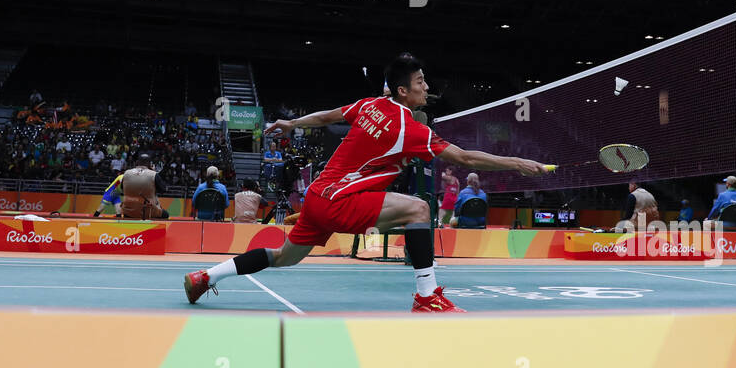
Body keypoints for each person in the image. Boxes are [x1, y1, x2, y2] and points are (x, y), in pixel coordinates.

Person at [183, 53, 550, 312]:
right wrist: (516, 162)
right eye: (421, 82)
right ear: (404, 91)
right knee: (420, 208)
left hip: (316, 197)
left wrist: (291, 124)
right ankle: (427, 296)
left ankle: (205, 275)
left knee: (283, 258)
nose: (426, 87)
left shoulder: (369, 105)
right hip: (339, 202)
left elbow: (327, 116)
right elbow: (465, 158)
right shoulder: (410, 127)